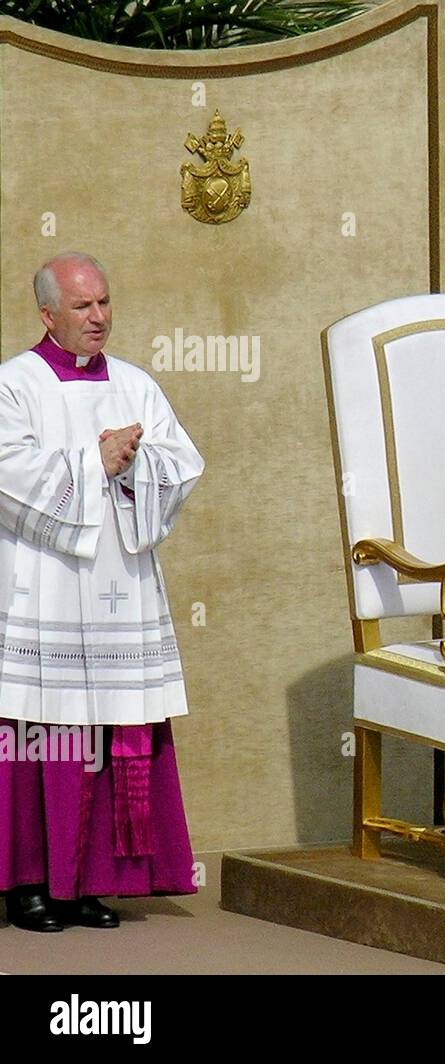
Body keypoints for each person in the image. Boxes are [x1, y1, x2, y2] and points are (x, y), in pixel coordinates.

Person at [0, 252, 205, 931]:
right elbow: (10, 476)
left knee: (112, 734)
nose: (100, 317)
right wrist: (95, 460)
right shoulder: (15, 385)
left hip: (119, 590)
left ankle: (88, 882)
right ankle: (30, 885)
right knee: (42, 738)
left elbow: (181, 465)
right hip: (45, 592)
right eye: (84, 307)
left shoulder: (136, 386)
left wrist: (136, 464)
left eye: (105, 303)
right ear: (48, 314)